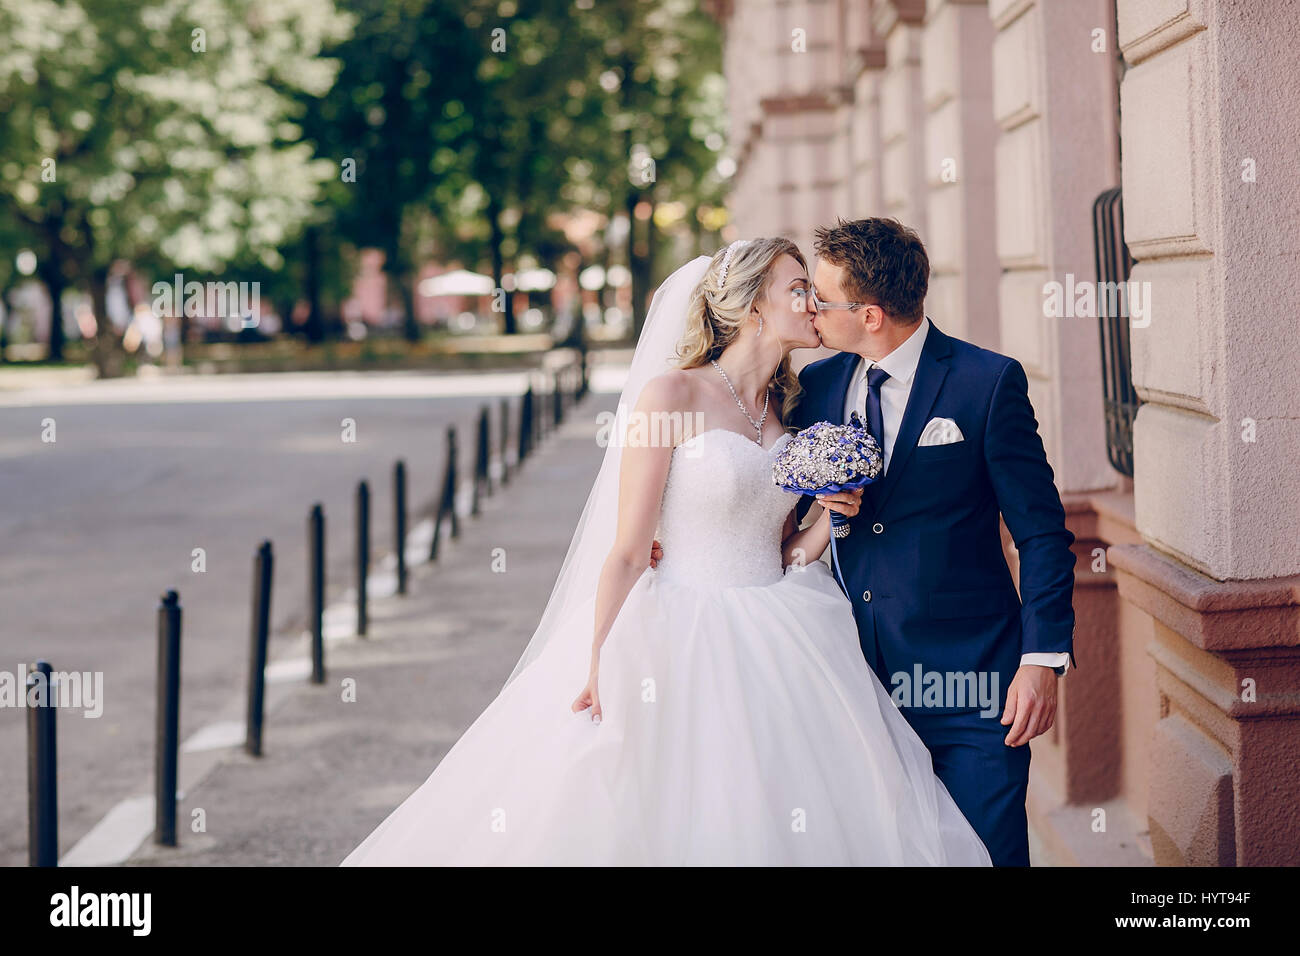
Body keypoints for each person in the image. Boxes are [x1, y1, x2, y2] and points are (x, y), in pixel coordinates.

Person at [340, 237, 991, 865]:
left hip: (784, 625)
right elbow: (627, 548)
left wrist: (833, 510)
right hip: (678, 627)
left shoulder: (790, 410)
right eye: (800, 290)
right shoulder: (671, 396)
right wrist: (598, 657)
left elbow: (790, 548)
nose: (814, 304)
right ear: (753, 304)